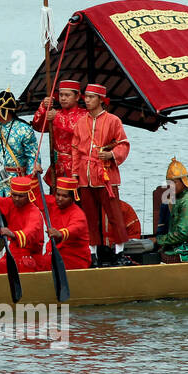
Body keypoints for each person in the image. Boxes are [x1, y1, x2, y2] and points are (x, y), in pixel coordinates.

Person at [73, 83, 133, 266]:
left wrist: (111, 154)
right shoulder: (80, 123)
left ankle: (120, 252)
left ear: (101, 100)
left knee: (114, 214)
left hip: (106, 174)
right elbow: (75, 149)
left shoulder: (113, 120)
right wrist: (75, 174)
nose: (88, 100)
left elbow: (123, 144)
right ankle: (93, 254)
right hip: (85, 175)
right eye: (86, 97)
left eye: (91, 97)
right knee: (89, 216)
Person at [0, 89, 39, 197]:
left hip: (17, 184)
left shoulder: (25, 130)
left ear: (4, 110)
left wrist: (27, 184)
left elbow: (32, 158)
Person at [31, 79, 85, 187]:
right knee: (57, 200)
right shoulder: (55, 112)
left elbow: (78, 129)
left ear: (77, 97)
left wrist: (57, 117)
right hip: (56, 167)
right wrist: (43, 107)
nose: (63, 98)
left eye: (67, 95)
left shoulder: (84, 114)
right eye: (61, 95)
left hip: (77, 167)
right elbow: (38, 126)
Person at [156, 158, 188, 263]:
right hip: (178, 245)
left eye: (174, 182)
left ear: (184, 181)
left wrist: (159, 240)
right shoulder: (178, 198)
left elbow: (182, 233)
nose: (171, 186)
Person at [0, 175, 45, 273]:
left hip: (30, 256)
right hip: (12, 252)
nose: (16, 199)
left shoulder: (34, 213)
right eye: (14, 195)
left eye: (21, 196)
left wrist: (12, 234)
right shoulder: (11, 203)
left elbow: (30, 231)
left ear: (28, 195)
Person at [43, 175, 91, 270]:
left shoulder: (78, 214)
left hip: (74, 258)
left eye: (64, 196)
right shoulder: (52, 203)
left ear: (72, 198)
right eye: (58, 194)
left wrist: (60, 233)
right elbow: (35, 196)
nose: (60, 199)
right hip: (54, 253)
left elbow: (74, 229)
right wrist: (35, 176)